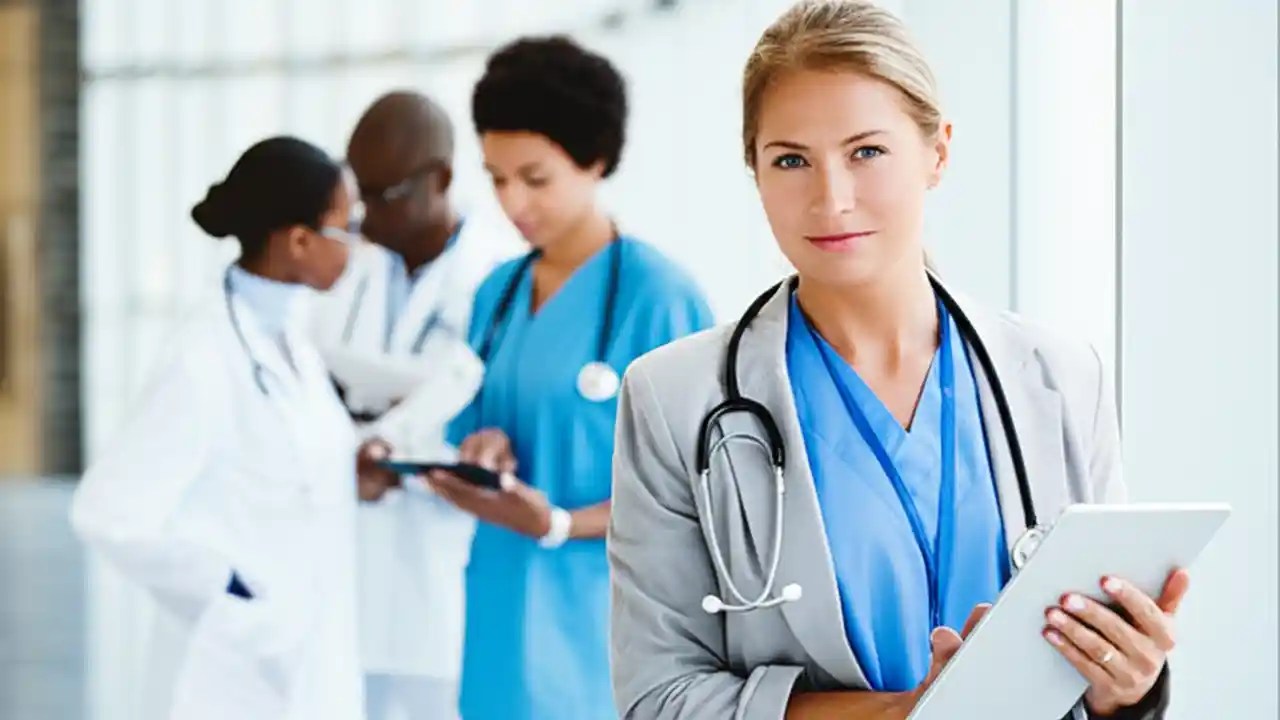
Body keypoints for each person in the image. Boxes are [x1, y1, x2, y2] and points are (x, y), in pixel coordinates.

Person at [608, 3, 1187, 719]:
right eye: (791, 160)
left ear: (938, 152)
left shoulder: (1061, 377)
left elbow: (1100, 675)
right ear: (754, 171)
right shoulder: (675, 399)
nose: (831, 199)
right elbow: (659, 698)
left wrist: (1125, 687)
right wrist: (906, 711)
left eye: (867, 152)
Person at [426, 35, 715, 720]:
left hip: (604, 630)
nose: (512, 202)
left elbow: (704, 495)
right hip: (499, 614)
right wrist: (483, 451)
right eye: (497, 179)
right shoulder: (496, 293)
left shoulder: (659, 297)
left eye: (535, 178)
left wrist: (559, 523)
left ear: (596, 160)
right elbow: (470, 425)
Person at [71, 136, 392, 720]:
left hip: (313, 659)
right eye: (347, 227)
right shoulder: (202, 356)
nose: (358, 244)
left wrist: (349, 473)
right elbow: (106, 513)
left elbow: (276, 469)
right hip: (227, 671)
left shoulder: (290, 340)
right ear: (298, 241)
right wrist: (230, 590)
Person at [310, 90, 519, 720]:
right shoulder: (350, 266)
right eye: (360, 193)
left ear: (442, 180)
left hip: (441, 559)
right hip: (349, 554)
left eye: (386, 195)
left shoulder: (499, 273)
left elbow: (487, 404)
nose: (367, 214)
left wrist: (392, 427)